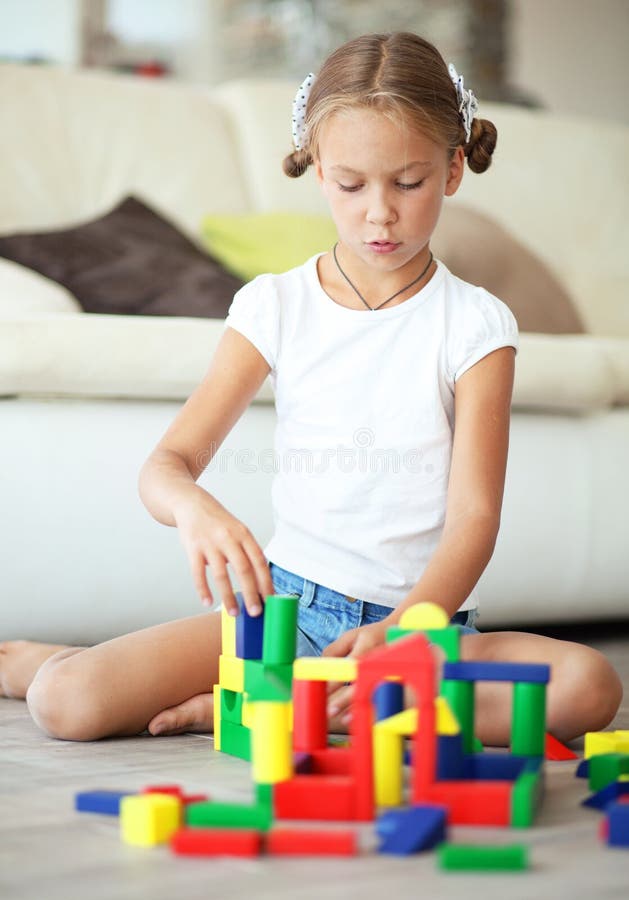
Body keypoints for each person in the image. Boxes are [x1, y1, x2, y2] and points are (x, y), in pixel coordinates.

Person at [1, 32, 622, 745]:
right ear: (317, 170)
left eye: (408, 182)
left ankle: (265, 706)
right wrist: (195, 510)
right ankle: (77, 667)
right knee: (66, 702)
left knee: (586, 687)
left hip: (422, 632)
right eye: (351, 185)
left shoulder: (477, 325)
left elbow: (474, 518)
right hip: (284, 612)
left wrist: (407, 630)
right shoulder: (275, 305)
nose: (378, 213)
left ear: (453, 169)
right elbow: (163, 468)